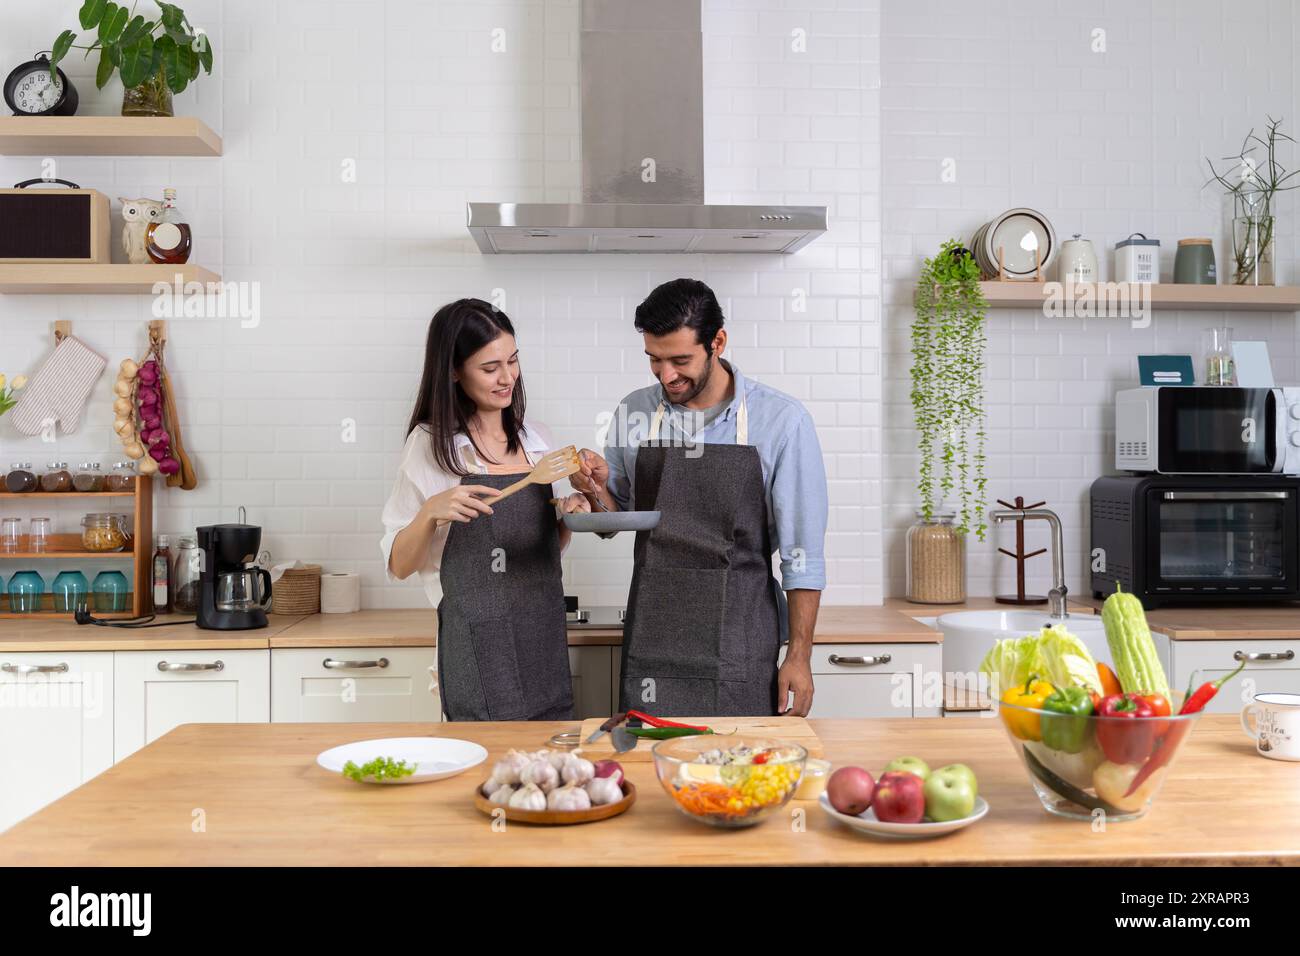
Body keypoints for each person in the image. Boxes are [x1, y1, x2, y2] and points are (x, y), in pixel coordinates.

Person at [572, 278, 828, 717]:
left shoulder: (782, 421)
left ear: (718, 342)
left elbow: (802, 555)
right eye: (654, 360)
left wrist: (799, 657)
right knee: (647, 765)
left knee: (737, 770)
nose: (666, 375)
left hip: (740, 638)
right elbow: (615, 519)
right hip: (653, 635)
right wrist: (593, 490)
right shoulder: (634, 412)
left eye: (680, 360)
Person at [381, 298, 589, 720]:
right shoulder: (432, 445)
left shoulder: (537, 441)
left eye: (512, 362)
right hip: (475, 640)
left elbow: (542, 550)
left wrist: (569, 518)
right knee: (484, 767)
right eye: (490, 368)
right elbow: (400, 565)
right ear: (454, 371)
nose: (507, 377)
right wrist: (429, 514)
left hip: (541, 632)